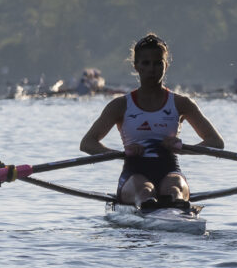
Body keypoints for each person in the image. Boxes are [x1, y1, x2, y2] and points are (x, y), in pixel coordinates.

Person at [80, 33, 224, 212]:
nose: (152, 69)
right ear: (136, 66)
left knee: (174, 189)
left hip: (170, 170)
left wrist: (182, 148)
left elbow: (216, 143)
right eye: (145, 63)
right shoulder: (120, 105)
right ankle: (149, 205)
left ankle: (175, 205)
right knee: (145, 191)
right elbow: (87, 143)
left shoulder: (181, 103)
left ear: (166, 65)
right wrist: (122, 153)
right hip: (134, 173)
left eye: (158, 63)